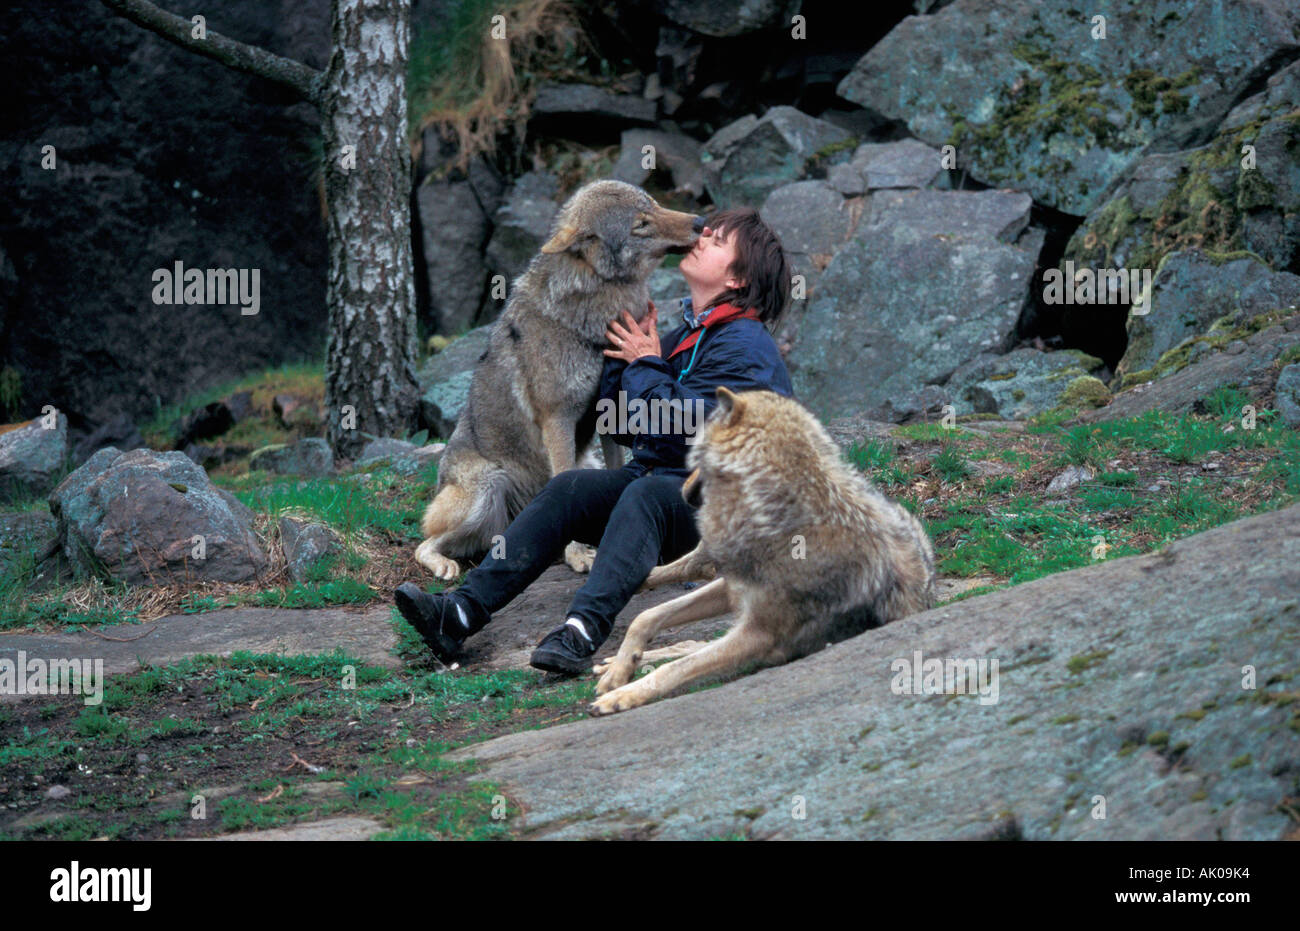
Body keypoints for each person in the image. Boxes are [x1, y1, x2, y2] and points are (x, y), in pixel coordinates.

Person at [394, 206, 794, 674]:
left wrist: (645, 364)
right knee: (572, 487)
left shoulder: (745, 346)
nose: (701, 236)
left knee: (645, 492)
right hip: (667, 486)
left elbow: (686, 429)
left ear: (737, 282)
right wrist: (620, 360)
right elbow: (621, 423)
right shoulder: (689, 335)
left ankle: (581, 630)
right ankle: (460, 612)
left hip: (720, 503)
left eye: (718, 241)